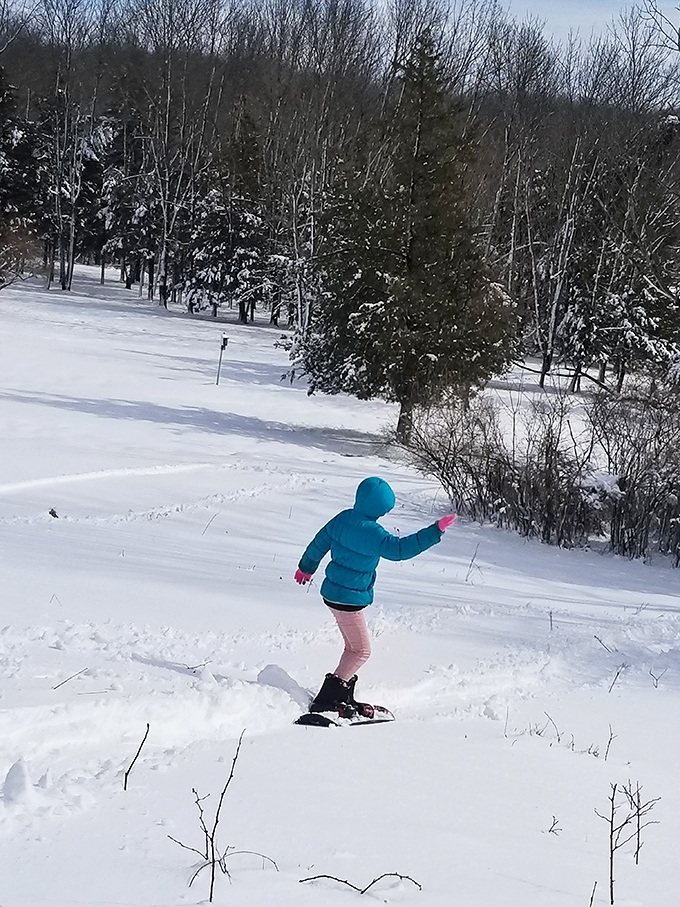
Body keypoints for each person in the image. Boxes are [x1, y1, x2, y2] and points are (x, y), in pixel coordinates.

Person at [294, 476, 456, 718]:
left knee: (352, 647)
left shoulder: (342, 519)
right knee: (361, 651)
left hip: (332, 594)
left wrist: (306, 567)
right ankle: (327, 699)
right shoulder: (374, 533)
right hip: (349, 599)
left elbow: (318, 544)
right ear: (380, 507)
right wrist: (435, 531)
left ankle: (342, 694)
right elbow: (400, 549)